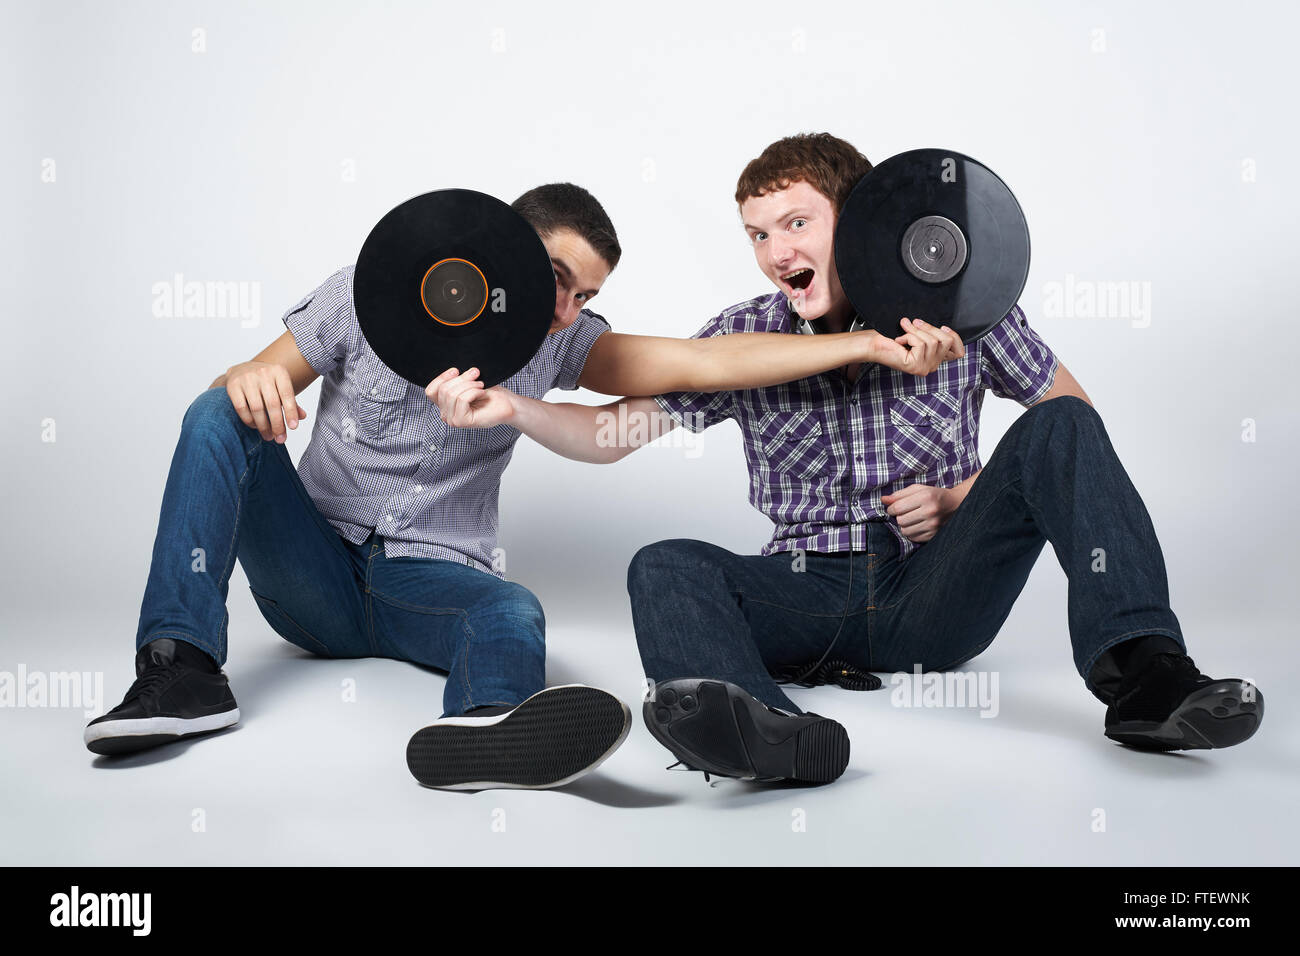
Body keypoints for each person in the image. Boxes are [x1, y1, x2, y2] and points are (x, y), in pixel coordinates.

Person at [433, 137, 1264, 787]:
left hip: (932, 593)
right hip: (804, 591)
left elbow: (1072, 414)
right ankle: (764, 730)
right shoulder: (743, 332)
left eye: (795, 224)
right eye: (758, 234)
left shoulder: (961, 307)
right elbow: (610, 437)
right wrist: (518, 408)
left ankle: (1149, 681)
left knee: (1062, 431)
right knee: (665, 564)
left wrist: (962, 497)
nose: (773, 252)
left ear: (861, 220)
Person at [85, 181, 963, 792]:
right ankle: (182, 674)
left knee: (513, 612)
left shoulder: (560, 344)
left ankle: (486, 730)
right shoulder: (368, 289)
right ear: (496, 245)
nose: (566, 310)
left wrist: (864, 345)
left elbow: (704, 362)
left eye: (584, 295)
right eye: (556, 282)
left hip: (425, 582)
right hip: (310, 569)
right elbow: (245, 381)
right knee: (213, 415)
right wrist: (249, 383)